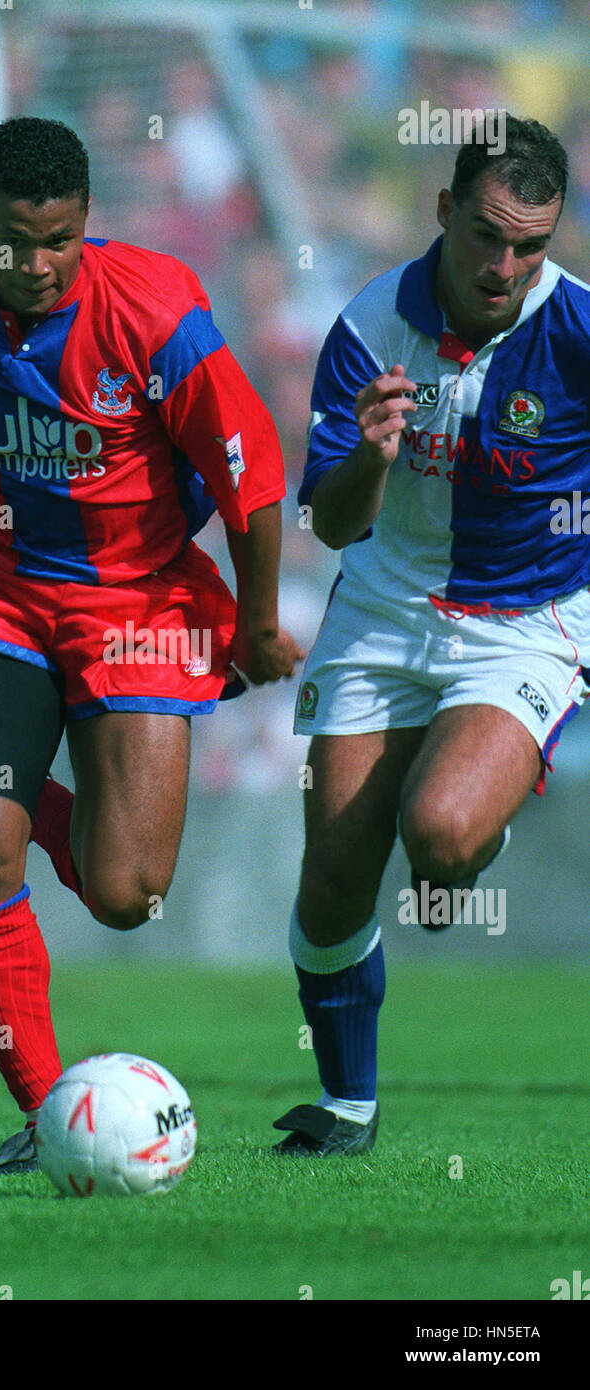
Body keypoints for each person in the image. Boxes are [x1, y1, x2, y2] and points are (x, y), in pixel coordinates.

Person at [0, 116, 301, 1172]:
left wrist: (251, 622)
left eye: (57, 239)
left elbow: (249, 476)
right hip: (7, 598)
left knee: (124, 894)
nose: (33, 264)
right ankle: (43, 1114)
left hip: (142, 602)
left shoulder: (155, 311)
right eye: (12, 241)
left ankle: (17, 802)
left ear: (84, 225)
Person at [277, 115, 590, 1156]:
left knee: (442, 832)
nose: (503, 266)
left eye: (529, 245)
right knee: (331, 873)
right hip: (383, 605)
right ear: (442, 210)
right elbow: (327, 521)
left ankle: (467, 834)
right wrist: (368, 454)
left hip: (523, 623)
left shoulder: (577, 333)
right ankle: (346, 1106)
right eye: (486, 236)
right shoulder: (368, 326)